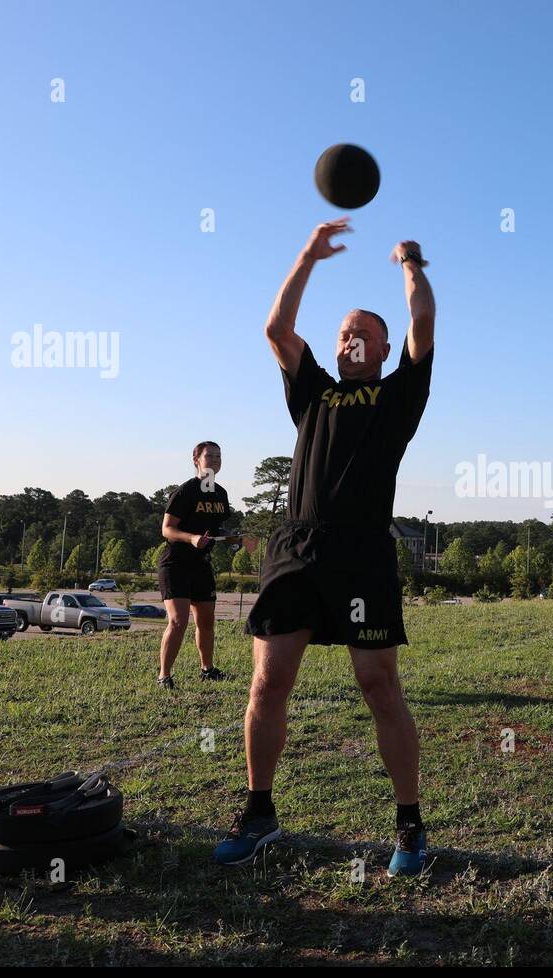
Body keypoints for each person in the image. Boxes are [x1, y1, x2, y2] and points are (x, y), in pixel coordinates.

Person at [213, 218, 436, 877]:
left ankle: (409, 826)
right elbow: (276, 329)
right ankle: (259, 814)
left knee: (379, 685)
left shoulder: (399, 396)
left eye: (362, 333)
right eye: (342, 333)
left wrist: (410, 263)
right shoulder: (313, 392)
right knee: (268, 681)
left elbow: (423, 321)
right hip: (296, 552)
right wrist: (307, 256)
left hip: (363, 556)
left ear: (384, 347)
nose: (349, 341)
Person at [157, 441, 230, 689]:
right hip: (176, 564)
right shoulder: (185, 492)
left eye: (219, 456)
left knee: (206, 621)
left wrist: (237, 539)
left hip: (201, 564)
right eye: (210, 455)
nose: (215, 460)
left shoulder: (220, 494)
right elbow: (167, 529)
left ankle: (207, 670)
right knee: (178, 621)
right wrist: (191, 538)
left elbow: (218, 530)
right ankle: (164, 676)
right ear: (196, 459)